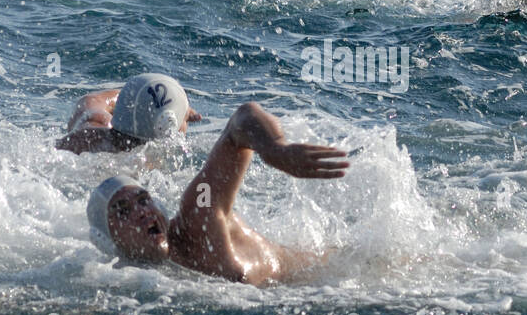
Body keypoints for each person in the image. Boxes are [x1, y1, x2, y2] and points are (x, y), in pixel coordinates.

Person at [88, 102, 348, 286]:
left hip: (344, 276)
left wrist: (276, 148)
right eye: (123, 211)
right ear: (109, 238)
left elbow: (242, 120)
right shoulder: (126, 280)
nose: (142, 211)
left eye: (144, 200)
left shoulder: (198, 219)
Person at [56, 73, 201, 154]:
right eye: (184, 117)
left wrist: (146, 98)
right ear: (170, 122)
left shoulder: (90, 131)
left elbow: (91, 100)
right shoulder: (151, 162)